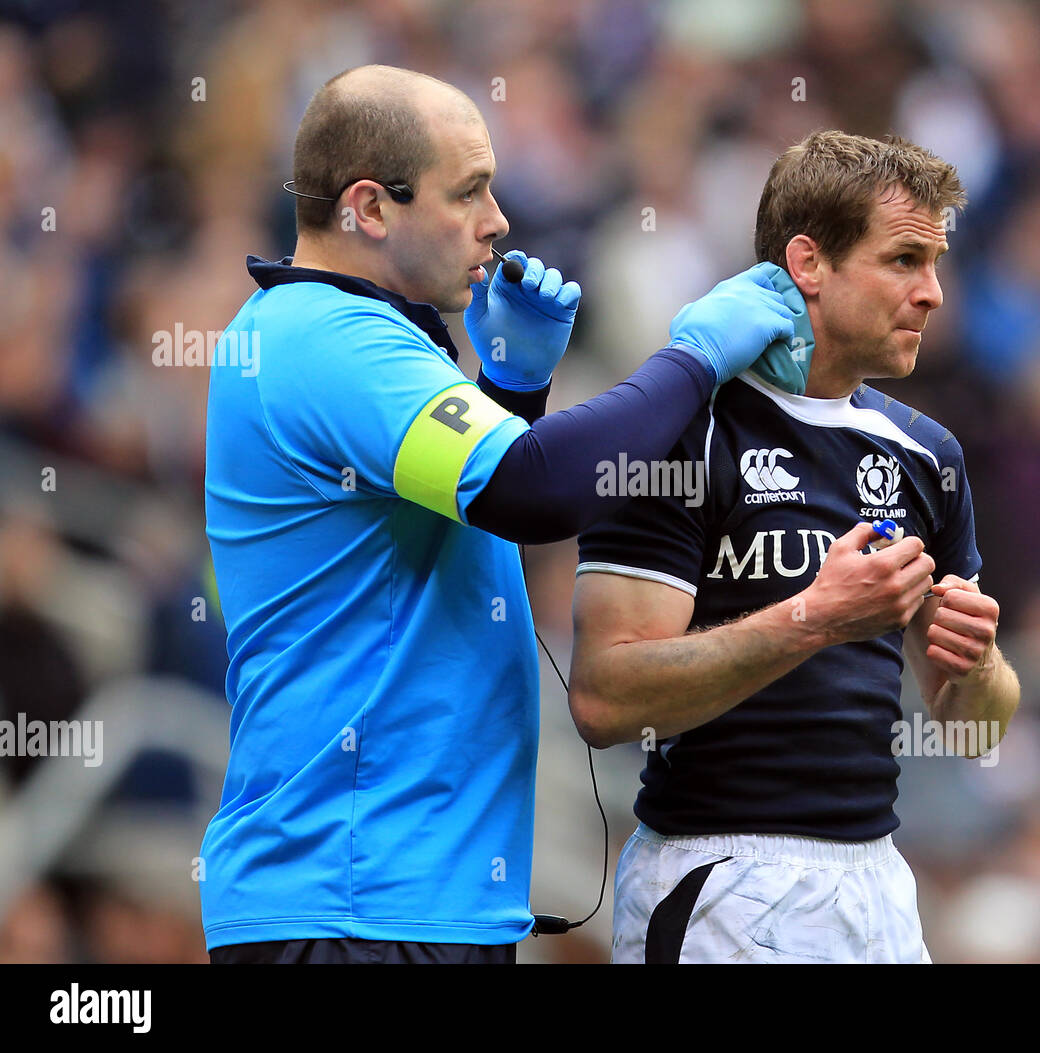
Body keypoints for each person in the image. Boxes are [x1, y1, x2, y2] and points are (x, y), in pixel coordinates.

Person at [200, 64, 795, 964]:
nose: (499, 220)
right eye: (470, 189)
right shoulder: (323, 334)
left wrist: (514, 390)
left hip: (410, 898)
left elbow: (475, 519)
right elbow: (539, 491)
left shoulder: (355, 333)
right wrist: (694, 356)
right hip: (353, 900)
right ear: (368, 206)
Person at [569, 131, 1022, 964]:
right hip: (717, 878)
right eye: (904, 260)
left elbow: (975, 727)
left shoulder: (927, 454)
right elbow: (602, 700)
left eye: (937, 263)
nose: (933, 294)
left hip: (878, 882)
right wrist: (814, 616)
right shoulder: (679, 431)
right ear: (809, 262)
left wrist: (981, 664)